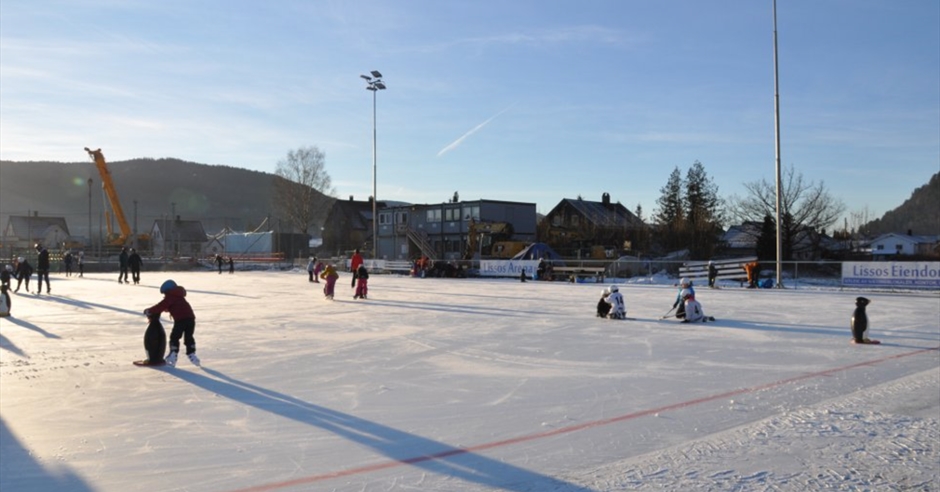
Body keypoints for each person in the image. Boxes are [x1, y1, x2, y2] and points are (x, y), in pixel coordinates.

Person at [144, 279, 198, 366]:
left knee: (174, 337)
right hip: (191, 320)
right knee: (189, 337)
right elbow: (173, 306)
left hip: (180, 320)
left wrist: (149, 310)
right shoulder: (179, 296)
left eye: (165, 293)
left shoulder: (171, 297)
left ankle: (173, 354)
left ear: (168, 291)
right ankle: (192, 353)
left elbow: (161, 305)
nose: (165, 295)